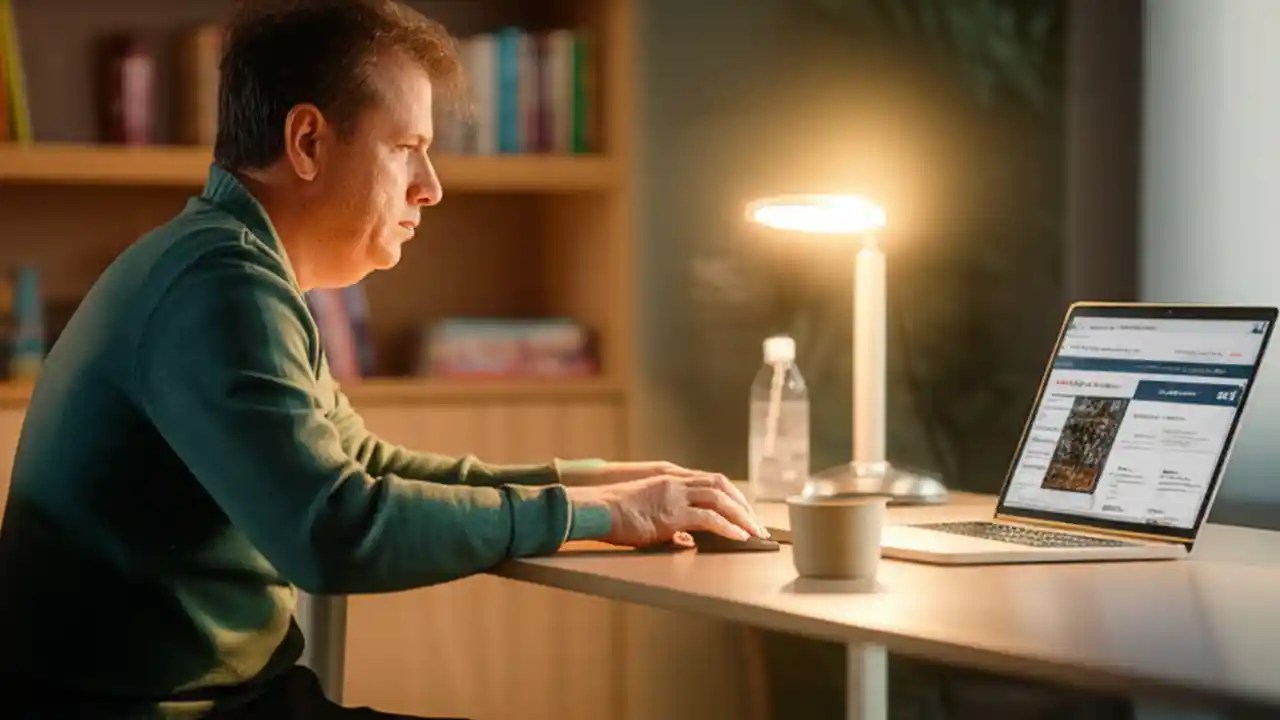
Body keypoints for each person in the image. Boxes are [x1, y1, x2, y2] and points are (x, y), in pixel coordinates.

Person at [0, 1, 768, 718]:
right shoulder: (221, 285)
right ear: (307, 143)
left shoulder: (232, 263)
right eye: (407, 150)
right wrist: (593, 516)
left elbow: (357, 465)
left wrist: (589, 482)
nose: (430, 188)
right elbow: (333, 530)